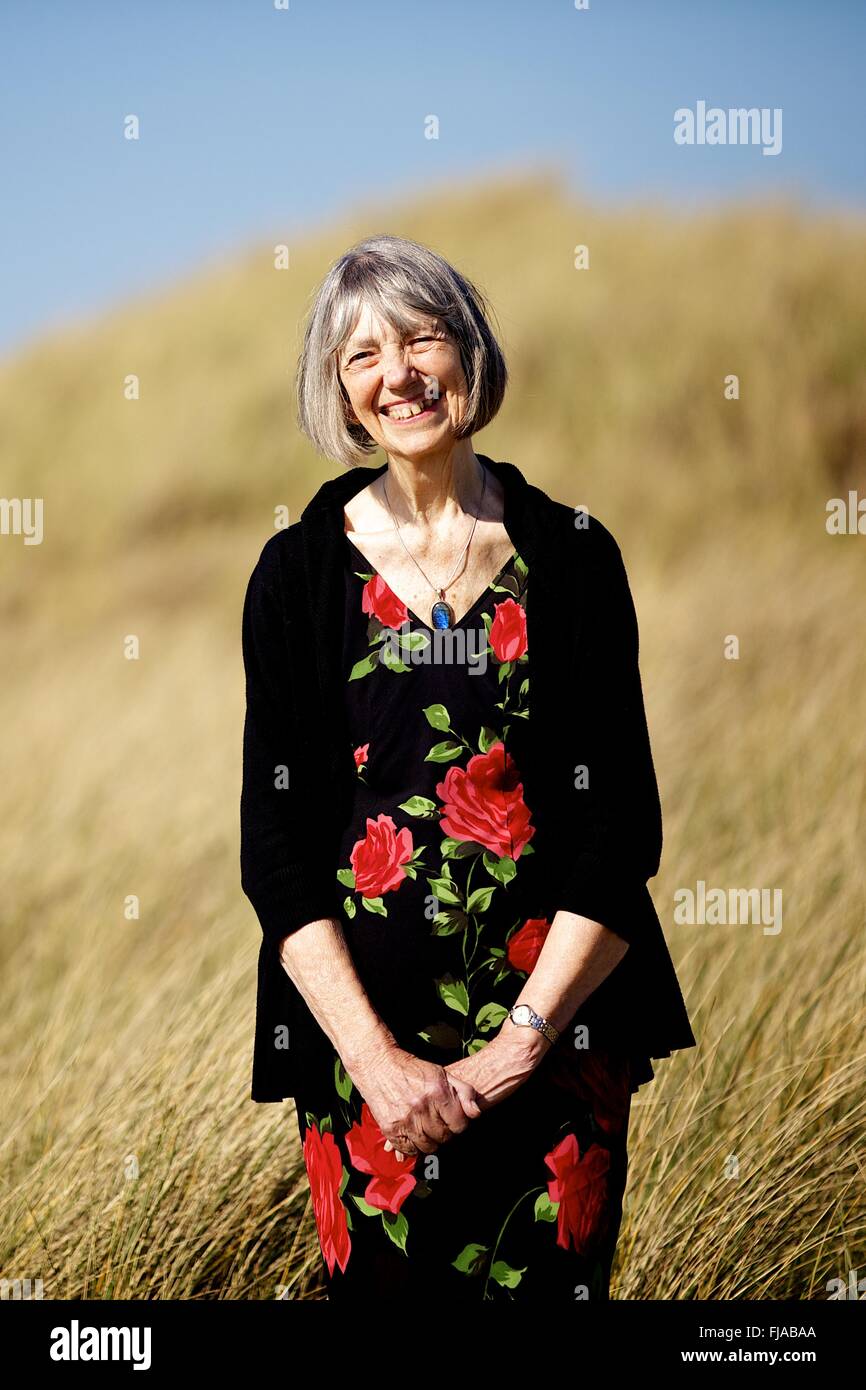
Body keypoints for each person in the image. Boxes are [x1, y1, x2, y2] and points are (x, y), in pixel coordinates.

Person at [240, 233, 696, 1301]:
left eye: (420, 337)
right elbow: (276, 850)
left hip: (557, 1047)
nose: (396, 373)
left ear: (468, 354)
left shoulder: (573, 555)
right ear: (341, 395)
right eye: (361, 356)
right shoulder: (298, 573)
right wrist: (377, 1065)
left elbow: (619, 828)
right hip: (368, 1077)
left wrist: (516, 1049)